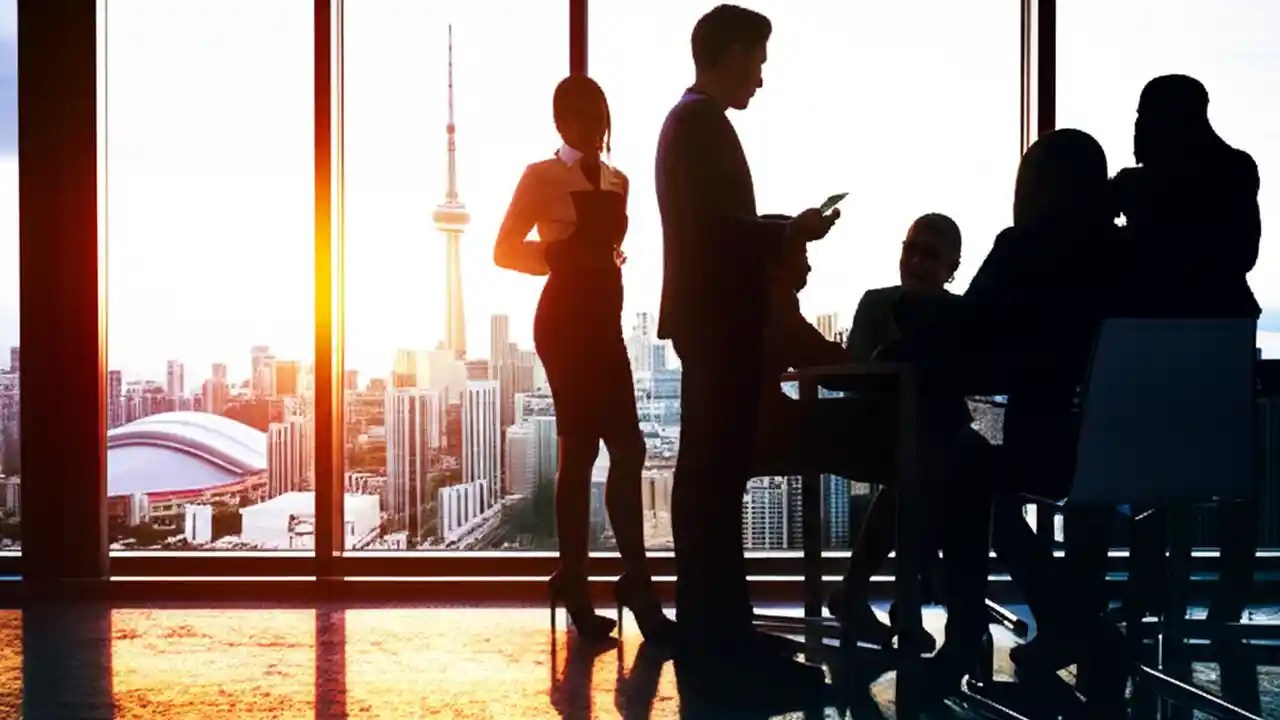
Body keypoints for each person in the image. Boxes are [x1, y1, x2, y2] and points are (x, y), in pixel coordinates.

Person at [655, 3, 838, 676]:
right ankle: (724, 644)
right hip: (718, 319)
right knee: (714, 479)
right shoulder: (700, 123)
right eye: (756, 60)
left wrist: (786, 228)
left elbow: (716, 227)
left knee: (712, 479)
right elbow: (718, 232)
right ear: (730, 53)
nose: (760, 76)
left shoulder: (688, 122)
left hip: (707, 318)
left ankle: (720, 633)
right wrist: (791, 231)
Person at [494, 75, 674, 644]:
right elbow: (503, 249)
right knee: (584, 450)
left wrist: (605, 258)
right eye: (582, 116)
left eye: (600, 115)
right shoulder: (541, 176)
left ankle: (608, 581)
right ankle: (599, 583)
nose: (595, 126)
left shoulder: (619, 180)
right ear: (560, 121)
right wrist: (558, 253)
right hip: (565, 321)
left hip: (604, 322)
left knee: (628, 447)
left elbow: (608, 249)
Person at [831, 213, 964, 652]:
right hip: (883, 430)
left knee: (919, 469)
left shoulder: (958, 314)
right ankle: (927, 582)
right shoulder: (877, 304)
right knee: (924, 466)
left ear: (951, 267)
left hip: (926, 441)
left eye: (930, 255)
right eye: (911, 251)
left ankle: (866, 590)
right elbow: (856, 376)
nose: (917, 262)